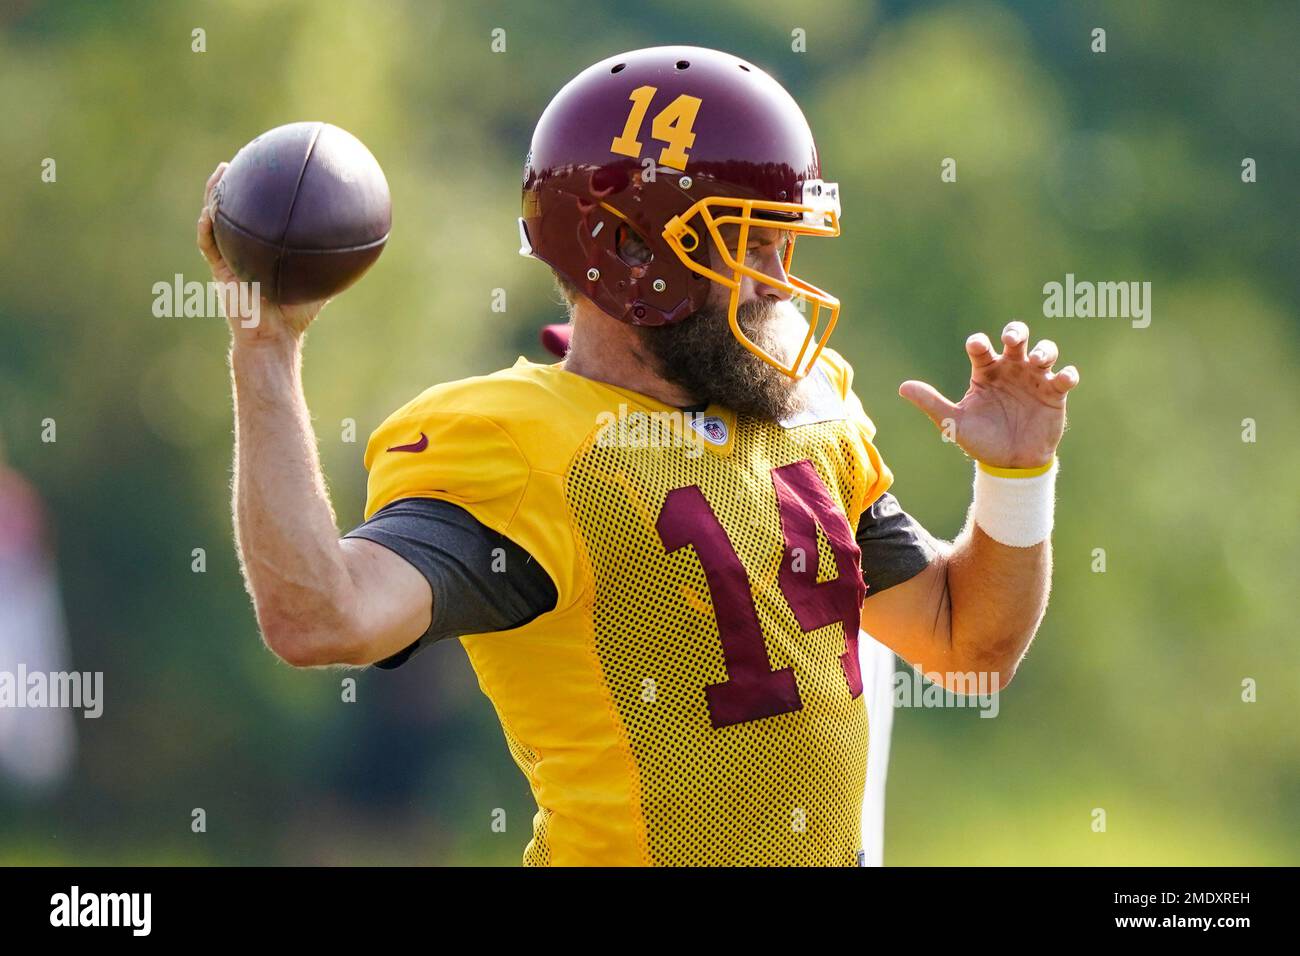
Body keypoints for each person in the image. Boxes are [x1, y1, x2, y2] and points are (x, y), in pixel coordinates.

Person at [197, 45, 1079, 866]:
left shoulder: (804, 415)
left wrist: (1015, 479)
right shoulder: (527, 447)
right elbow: (324, 618)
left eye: (784, 244)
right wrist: (266, 351)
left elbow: (971, 648)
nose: (779, 280)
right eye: (750, 244)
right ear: (628, 251)